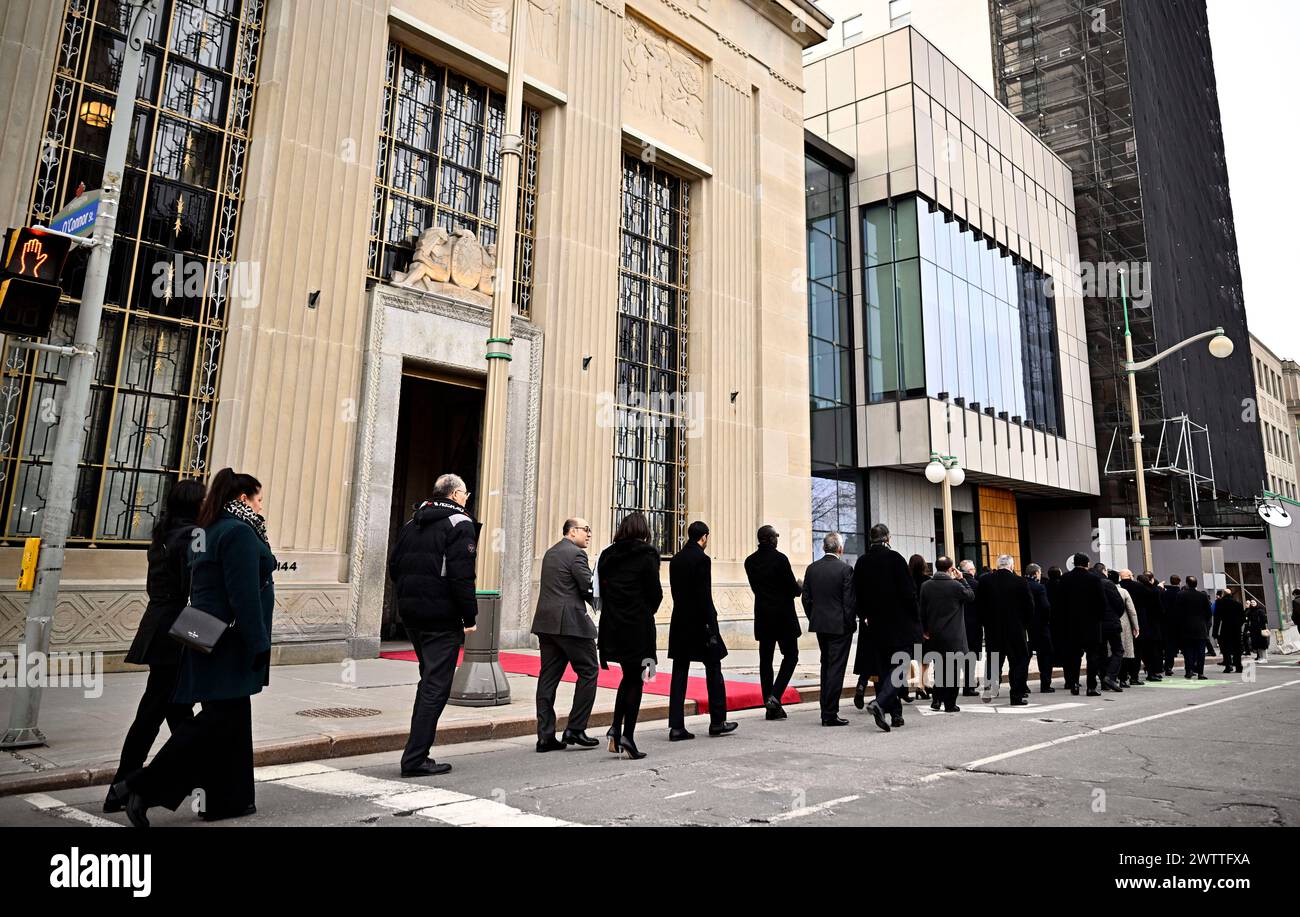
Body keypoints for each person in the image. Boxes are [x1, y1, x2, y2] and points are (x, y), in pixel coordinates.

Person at [112, 470, 275, 827]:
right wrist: (258, 641)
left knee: (229, 718)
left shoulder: (209, 530)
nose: (263, 505)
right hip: (226, 637)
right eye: (259, 498)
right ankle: (141, 785)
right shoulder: (237, 533)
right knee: (218, 719)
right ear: (243, 499)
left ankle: (228, 799)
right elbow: (243, 594)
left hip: (200, 628)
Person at [103, 480, 205, 814]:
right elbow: (197, 590)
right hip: (181, 626)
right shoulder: (193, 536)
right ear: (195, 504)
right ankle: (127, 787)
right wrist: (206, 638)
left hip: (158, 622)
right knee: (161, 711)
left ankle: (201, 786)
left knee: (173, 712)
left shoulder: (162, 533)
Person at [390, 473, 479, 777]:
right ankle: (415, 758)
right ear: (455, 495)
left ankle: (416, 753)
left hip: (412, 615)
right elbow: (462, 576)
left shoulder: (411, 523)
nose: (467, 498)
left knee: (428, 680)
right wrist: (470, 617)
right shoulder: (460, 523)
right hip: (442, 617)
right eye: (465, 494)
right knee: (435, 686)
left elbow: (394, 567)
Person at [596, 512, 662, 759]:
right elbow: (654, 592)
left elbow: (601, 590)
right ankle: (628, 736)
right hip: (637, 625)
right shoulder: (647, 554)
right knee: (636, 680)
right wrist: (647, 608)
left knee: (628, 675)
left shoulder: (607, 555)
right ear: (643, 531)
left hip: (613, 625)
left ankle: (615, 728)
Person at [531, 517, 599, 752]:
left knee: (548, 678)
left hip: (546, 623)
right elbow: (586, 586)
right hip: (571, 624)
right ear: (572, 532)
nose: (589, 534)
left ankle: (545, 736)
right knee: (589, 670)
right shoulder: (576, 554)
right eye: (585, 530)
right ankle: (576, 728)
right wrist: (602, 603)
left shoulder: (551, 552)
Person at [668, 521, 735, 739]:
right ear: (704, 537)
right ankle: (717, 721)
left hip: (680, 621)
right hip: (700, 623)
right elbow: (704, 595)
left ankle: (676, 725)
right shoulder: (702, 559)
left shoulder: (676, 559)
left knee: (679, 672)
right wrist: (712, 626)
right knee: (713, 669)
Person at [852, 524, 918, 731]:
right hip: (898, 623)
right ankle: (880, 704)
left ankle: (895, 714)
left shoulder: (862, 562)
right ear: (888, 538)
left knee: (881, 669)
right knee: (900, 666)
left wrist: (864, 616)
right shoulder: (896, 559)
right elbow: (909, 594)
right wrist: (915, 619)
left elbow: (857, 594)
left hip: (873, 624)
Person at [744, 525, 802, 720]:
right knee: (791, 656)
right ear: (770, 539)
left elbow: (756, 588)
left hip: (764, 616)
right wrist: (800, 586)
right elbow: (793, 589)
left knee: (765, 661)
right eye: (775, 536)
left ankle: (770, 704)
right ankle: (775, 696)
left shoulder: (750, 562)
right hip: (783, 616)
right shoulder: (780, 559)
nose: (777, 539)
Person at [802, 532, 857, 726]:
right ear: (840, 549)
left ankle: (826, 709)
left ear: (824, 548)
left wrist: (814, 617)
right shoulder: (845, 570)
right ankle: (830, 712)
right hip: (839, 626)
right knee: (836, 668)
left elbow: (806, 599)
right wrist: (850, 625)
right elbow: (849, 603)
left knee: (826, 665)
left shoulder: (812, 569)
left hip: (821, 624)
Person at [976, 555, 1033, 705]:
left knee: (994, 660)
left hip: (993, 629)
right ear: (1011, 566)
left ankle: (990, 689)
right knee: (1019, 661)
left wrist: (984, 623)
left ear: (998, 565)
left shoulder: (985, 581)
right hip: (1015, 629)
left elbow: (979, 606)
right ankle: (1016, 695)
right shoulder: (1020, 582)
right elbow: (1029, 607)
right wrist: (1024, 624)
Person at [920, 556, 975, 712]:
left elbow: (922, 610)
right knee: (953, 670)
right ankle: (950, 703)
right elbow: (970, 596)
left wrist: (924, 630)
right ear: (951, 569)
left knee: (940, 668)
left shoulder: (926, 586)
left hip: (934, 634)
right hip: (954, 636)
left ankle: (937, 699)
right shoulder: (955, 586)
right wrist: (962, 579)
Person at [1056, 553, 1106, 696]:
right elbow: (1101, 602)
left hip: (1071, 624)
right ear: (1087, 564)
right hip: (1091, 624)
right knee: (1092, 656)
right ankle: (1091, 686)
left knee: (1073, 656)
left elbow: (1059, 604)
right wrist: (1099, 619)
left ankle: (1075, 684)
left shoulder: (1065, 578)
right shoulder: (1094, 579)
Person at [1126, 571, 1165, 682]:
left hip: (1139, 623)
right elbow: (1159, 608)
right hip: (1149, 625)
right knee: (1148, 651)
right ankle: (1150, 673)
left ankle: (1134, 675)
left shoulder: (1135, 589)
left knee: (1138, 651)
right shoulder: (1153, 591)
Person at [1094, 562, 1127, 692]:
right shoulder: (1108, 583)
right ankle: (1110, 676)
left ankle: (1103, 680)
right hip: (1111, 622)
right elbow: (1119, 604)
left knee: (1101, 652)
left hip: (1098, 623)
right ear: (1104, 571)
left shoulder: (1093, 583)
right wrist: (1116, 616)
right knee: (1118, 650)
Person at [1026, 563, 1055, 693]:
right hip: (1040, 626)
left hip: (1025, 627)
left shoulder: (1021, 584)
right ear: (1036, 573)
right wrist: (1046, 620)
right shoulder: (1039, 588)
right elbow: (1045, 607)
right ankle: (1045, 683)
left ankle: (1022, 684)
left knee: (1024, 656)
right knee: (1045, 656)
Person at [1175, 575, 1212, 679]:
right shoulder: (1202, 596)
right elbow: (1208, 613)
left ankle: (1189, 671)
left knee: (1188, 651)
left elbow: (1177, 612)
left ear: (1186, 583)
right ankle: (1200, 672)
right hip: (1200, 627)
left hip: (1186, 627)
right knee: (1200, 651)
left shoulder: (1180, 595)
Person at [906, 554, 931, 701]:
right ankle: (921, 685)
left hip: (909, 624)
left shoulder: (907, 581)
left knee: (911, 656)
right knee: (925, 657)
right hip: (923, 623)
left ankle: (924, 684)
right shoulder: (927, 581)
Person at [1110, 570, 1141, 687]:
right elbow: (1132, 611)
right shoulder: (1123, 591)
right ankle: (1123, 679)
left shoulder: (1103, 589)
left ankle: (1111, 677)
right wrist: (1136, 627)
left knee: (1110, 652)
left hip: (1107, 624)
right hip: (1124, 625)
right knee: (1124, 652)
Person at [959, 558, 982, 697]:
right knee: (971, 656)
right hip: (973, 625)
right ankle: (969, 685)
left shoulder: (955, 584)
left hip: (958, 626)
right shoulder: (976, 585)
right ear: (970, 571)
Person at [1212, 586, 1245, 673]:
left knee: (1226, 648)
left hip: (1225, 628)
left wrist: (1215, 632)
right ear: (1231, 594)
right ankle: (1238, 666)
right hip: (1236, 629)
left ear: (1223, 594)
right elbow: (1243, 618)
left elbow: (1217, 619)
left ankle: (1228, 666)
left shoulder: (1219, 603)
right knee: (1237, 648)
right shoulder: (1238, 604)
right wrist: (1238, 625)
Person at [1161, 574, 1182, 675]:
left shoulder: (1165, 593)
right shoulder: (1181, 593)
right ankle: (1191, 668)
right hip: (1180, 623)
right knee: (1185, 646)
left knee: (1169, 646)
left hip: (1167, 622)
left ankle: (1168, 667)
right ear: (1179, 582)